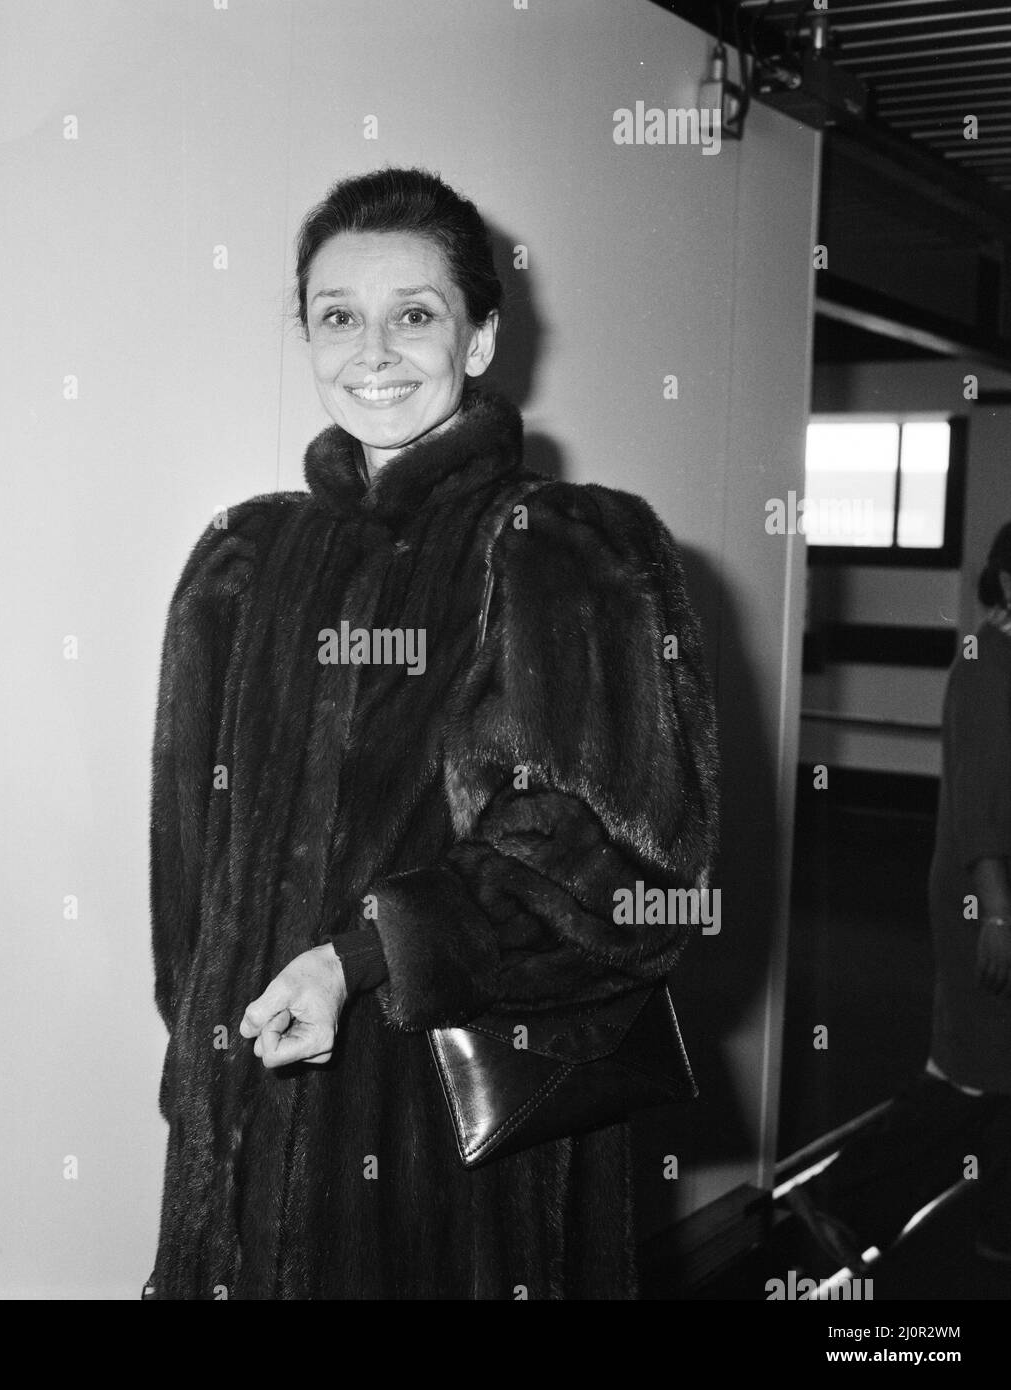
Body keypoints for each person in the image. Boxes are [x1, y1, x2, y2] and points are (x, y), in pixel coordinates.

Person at [143, 167, 719, 1300]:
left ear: (482, 336)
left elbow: (626, 874)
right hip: (245, 1133)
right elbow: (189, 892)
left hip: (448, 1162)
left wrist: (358, 961)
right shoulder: (243, 564)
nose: (373, 350)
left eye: (415, 314)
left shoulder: (562, 550)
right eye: (337, 316)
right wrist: (209, 1075)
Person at [789, 524, 1011, 1271]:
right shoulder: (989, 666)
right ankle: (839, 1194)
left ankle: (997, 1231)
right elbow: (981, 809)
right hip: (986, 899)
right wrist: (997, 911)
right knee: (971, 1072)